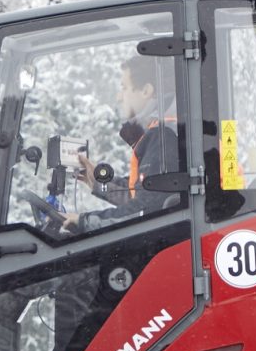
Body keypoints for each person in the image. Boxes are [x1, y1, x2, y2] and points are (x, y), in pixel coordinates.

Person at [66, 55, 183, 228]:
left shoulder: (166, 138)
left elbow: (145, 212)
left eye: (124, 87)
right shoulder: (167, 131)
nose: (119, 97)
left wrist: (83, 222)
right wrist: (99, 183)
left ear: (146, 91)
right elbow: (145, 197)